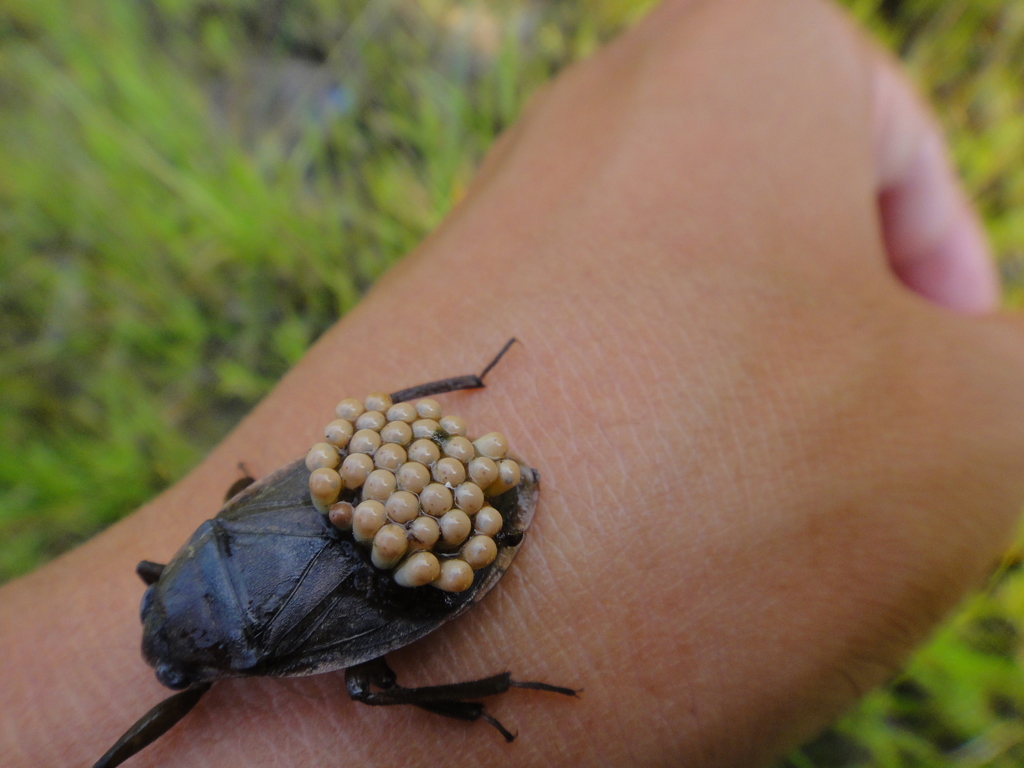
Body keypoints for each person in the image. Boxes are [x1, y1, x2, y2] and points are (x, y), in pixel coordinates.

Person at [3, 0, 1020, 765]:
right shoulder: (219, 534)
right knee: (365, 652)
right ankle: (475, 428)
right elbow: (255, 495)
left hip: (431, 522)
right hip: (399, 511)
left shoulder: (253, 649)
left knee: (368, 692)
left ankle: (498, 672)